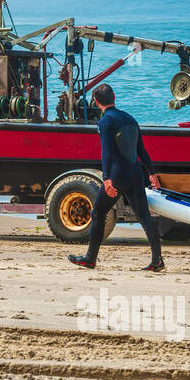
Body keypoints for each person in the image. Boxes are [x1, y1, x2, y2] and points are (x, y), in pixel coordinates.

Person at [69, 83, 165, 272]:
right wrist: (152, 173)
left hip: (118, 175)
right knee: (144, 216)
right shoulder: (130, 119)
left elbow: (107, 153)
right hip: (136, 173)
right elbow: (141, 150)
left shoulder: (106, 122)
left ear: (96, 102)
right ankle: (157, 260)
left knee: (98, 213)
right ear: (114, 97)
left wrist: (106, 178)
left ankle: (90, 258)